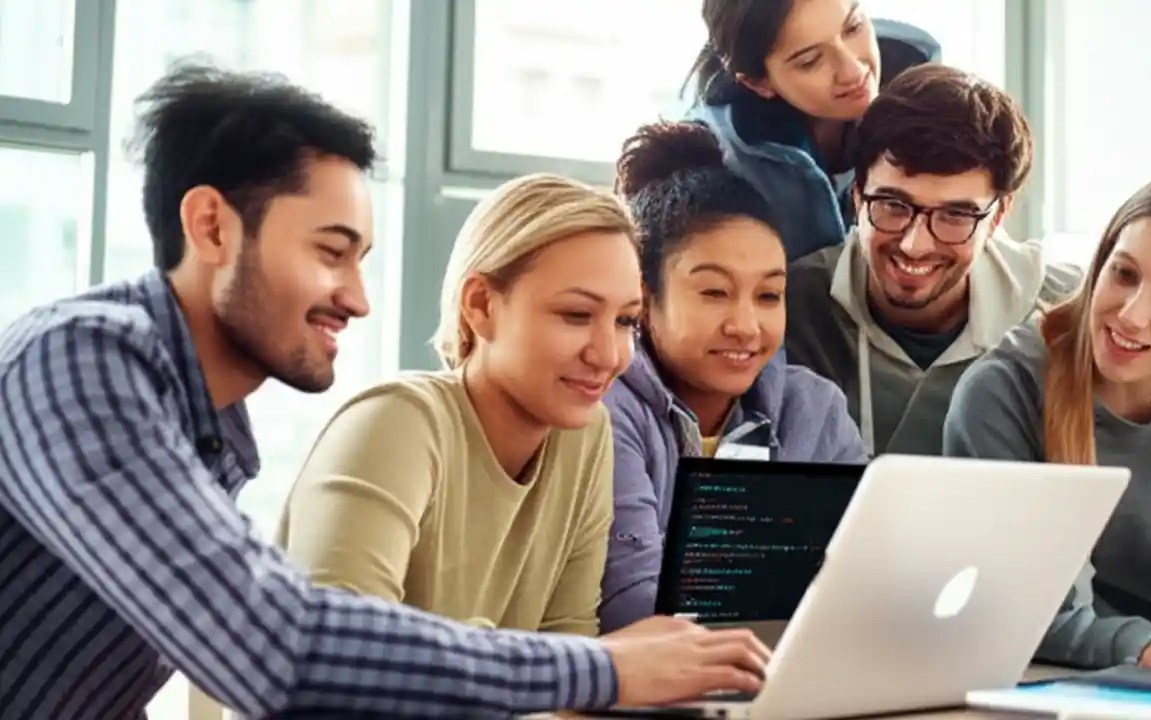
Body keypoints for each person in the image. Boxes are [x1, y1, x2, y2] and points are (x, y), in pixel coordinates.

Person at [0, 61, 769, 720]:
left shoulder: (207, 422)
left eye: (362, 258)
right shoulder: (81, 360)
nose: (359, 298)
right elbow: (282, 647)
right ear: (211, 227)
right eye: (331, 253)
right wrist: (608, 670)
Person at [944, 172, 1151, 684]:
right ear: (1100, 262)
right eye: (1124, 274)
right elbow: (1018, 608)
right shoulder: (1001, 392)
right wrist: (1137, 645)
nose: (1132, 314)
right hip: (1053, 687)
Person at [277, 173, 635, 637]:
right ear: (481, 304)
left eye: (627, 320)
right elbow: (343, 657)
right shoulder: (396, 423)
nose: (608, 355)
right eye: (576, 315)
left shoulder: (585, 435)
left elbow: (571, 652)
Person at [598, 121, 868, 633]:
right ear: (644, 297)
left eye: (769, 296)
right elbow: (633, 606)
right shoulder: (608, 406)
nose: (745, 326)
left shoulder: (814, 411)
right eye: (714, 293)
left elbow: (863, 580)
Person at [784, 63, 1081, 457]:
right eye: (892, 204)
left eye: (955, 215)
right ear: (856, 196)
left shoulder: (1067, 312)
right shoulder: (790, 305)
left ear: (999, 214)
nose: (914, 245)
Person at [687, 0, 941, 260]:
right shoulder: (715, 167)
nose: (853, 71)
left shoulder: (935, 105)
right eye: (810, 61)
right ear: (757, 83)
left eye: (853, 28)